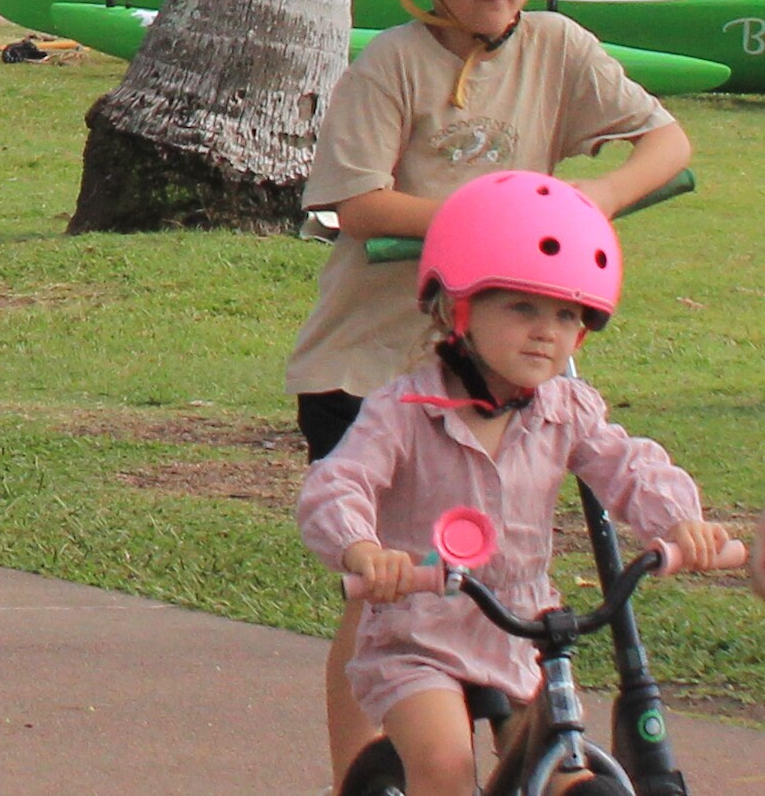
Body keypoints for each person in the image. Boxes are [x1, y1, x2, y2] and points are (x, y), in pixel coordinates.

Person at [286, 0, 686, 776]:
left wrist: (593, 200)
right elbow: (353, 202)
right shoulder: (394, 63)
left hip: (510, 365)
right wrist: (488, 220)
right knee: (380, 590)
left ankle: (522, 752)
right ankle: (366, 768)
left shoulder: (557, 47)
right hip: (373, 366)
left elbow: (665, 142)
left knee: (508, 569)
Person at [299, 169, 738, 796]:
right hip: (416, 632)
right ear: (459, 310)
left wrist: (680, 524)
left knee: (563, 767)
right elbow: (339, 481)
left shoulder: (568, 410)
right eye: (522, 308)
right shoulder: (404, 409)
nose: (545, 331)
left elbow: (628, 464)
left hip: (524, 627)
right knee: (446, 764)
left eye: (565, 315)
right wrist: (364, 550)